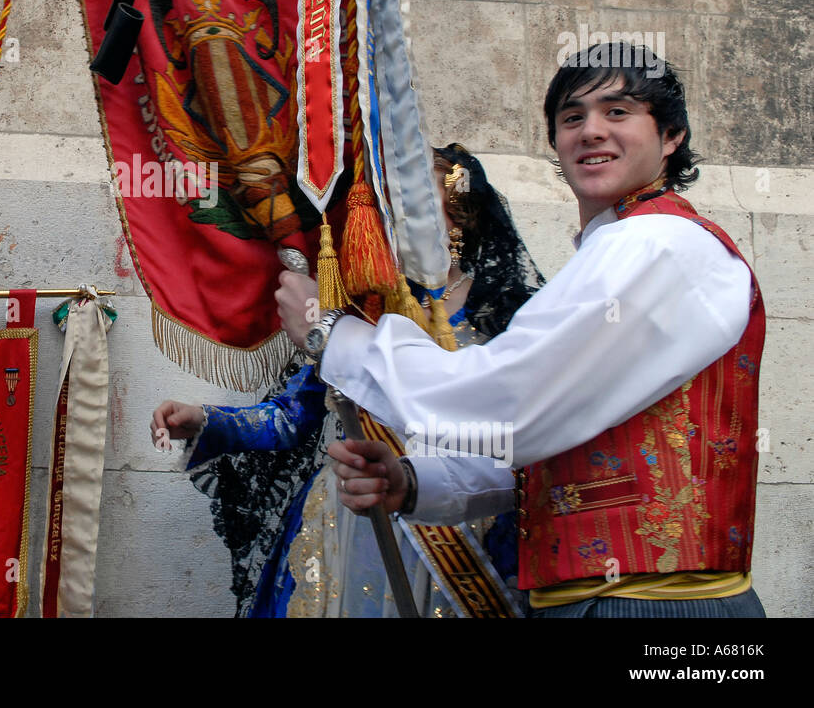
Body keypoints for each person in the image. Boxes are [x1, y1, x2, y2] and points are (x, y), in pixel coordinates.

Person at [280, 43, 766, 617]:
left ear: (671, 136)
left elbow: (505, 400)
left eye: (618, 112)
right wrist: (415, 484)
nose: (591, 131)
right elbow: (539, 440)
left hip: (651, 607)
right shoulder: (621, 246)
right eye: (572, 117)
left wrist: (334, 336)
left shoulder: (658, 243)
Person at [152, 144, 543, 616]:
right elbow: (291, 417)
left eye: (415, 206)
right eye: (389, 207)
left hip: (463, 528)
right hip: (352, 524)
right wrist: (206, 420)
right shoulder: (361, 309)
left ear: (459, 217)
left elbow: (524, 425)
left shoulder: (502, 312)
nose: (393, 220)